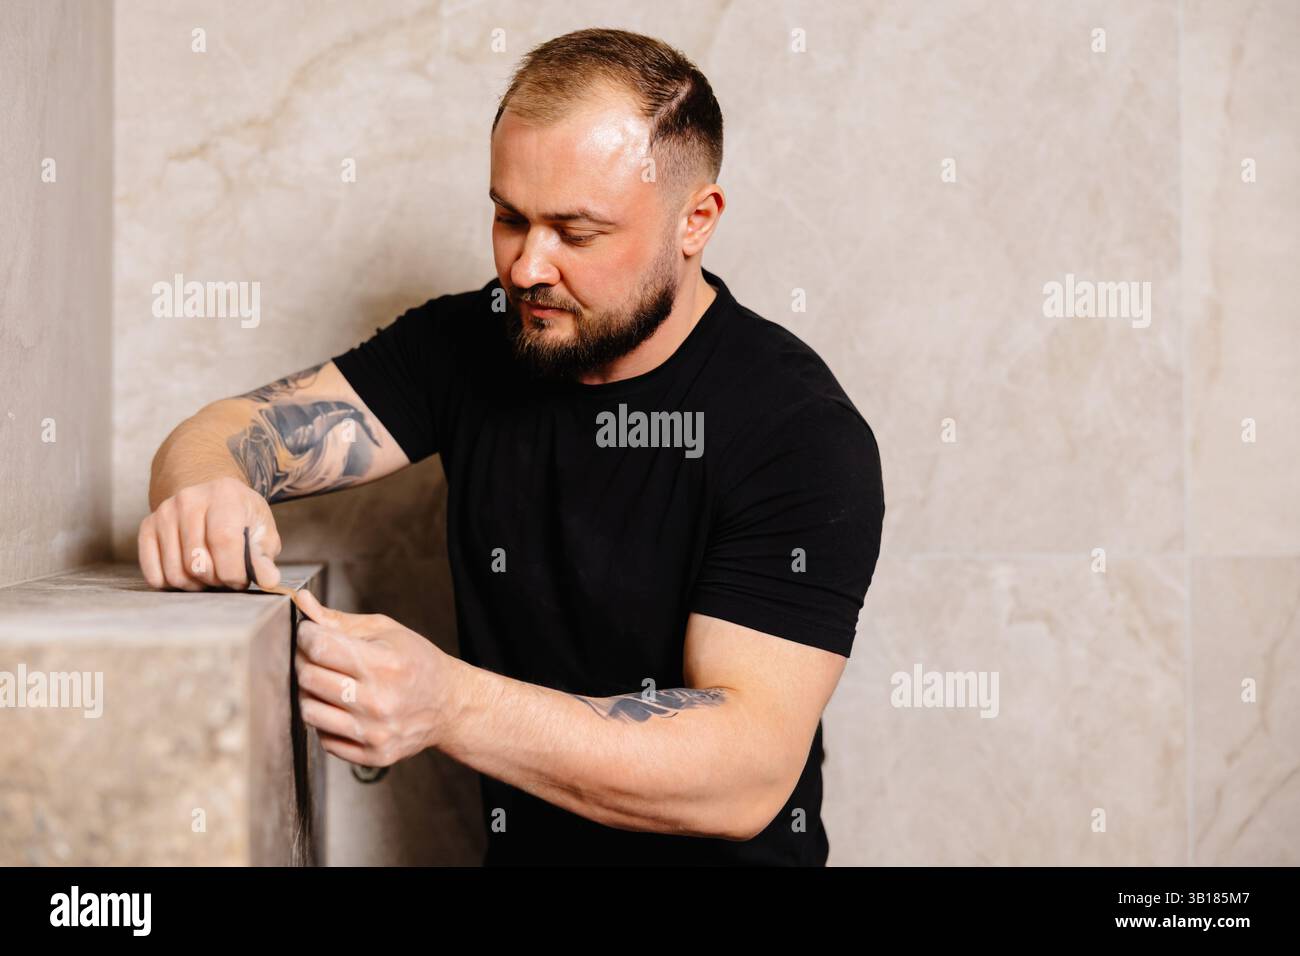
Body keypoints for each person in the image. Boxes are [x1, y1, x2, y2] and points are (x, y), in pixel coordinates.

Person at [138, 27, 885, 866]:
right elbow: (227, 432)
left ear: (696, 220)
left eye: (576, 232)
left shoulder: (798, 430)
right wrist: (205, 487)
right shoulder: (473, 342)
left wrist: (449, 705)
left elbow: (744, 775)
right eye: (509, 217)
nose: (527, 266)